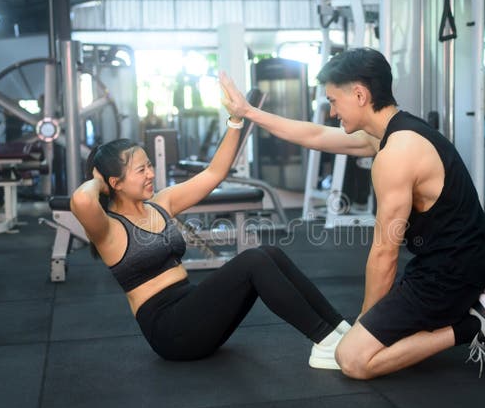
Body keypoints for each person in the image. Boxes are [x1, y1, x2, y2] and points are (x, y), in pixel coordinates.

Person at [219, 48, 485, 380]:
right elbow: (314, 135)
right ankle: (468, 311)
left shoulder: (396, 154)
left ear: (360, 94)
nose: (332, 112)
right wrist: (248, 112)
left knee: (353, 359)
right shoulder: (397, 131)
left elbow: (384, 252)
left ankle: (471, 324)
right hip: (451, 262)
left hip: (450, 274)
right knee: (378, 341)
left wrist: (366, 324)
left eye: (334, 101)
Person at [70, 82, 350, 368]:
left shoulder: (160, 203)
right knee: (253, 260)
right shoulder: (108, 230)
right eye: (141, 170)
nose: (151, 174)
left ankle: (341, 330)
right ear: (115, 183)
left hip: (192, 311)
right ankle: (326, 343)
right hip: (170, 331)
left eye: (149, 166)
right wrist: (99, 179)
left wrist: (235, 120)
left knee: (269, 253)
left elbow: (215, 172)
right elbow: (81, 200)